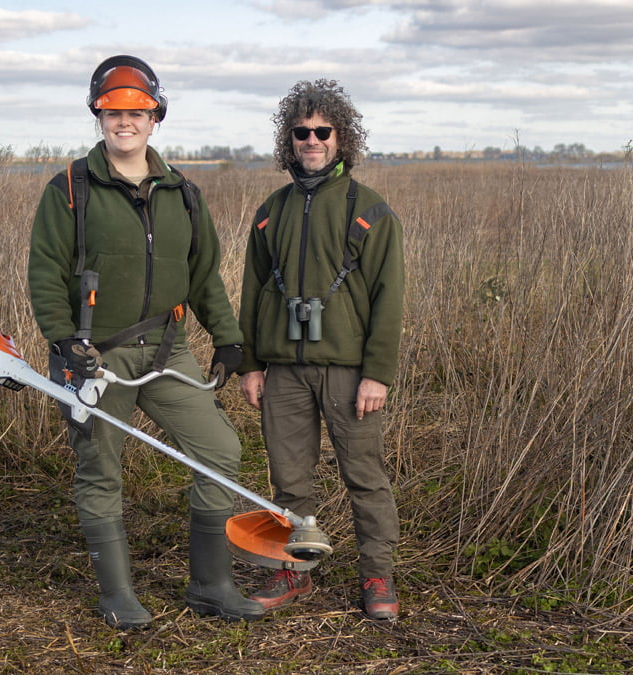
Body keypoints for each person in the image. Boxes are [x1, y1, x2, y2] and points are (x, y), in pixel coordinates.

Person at [27, 55, 263, 629]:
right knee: (100, 467)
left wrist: (229, 342)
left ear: (156, 116)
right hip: (94, 356)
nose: (124, 121)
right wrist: (64, 343)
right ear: (98, 115)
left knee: (219, 450)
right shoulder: (69, 191)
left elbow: (204, 276)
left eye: (136, 111)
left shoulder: (183, 193)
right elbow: (45, 274)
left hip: (167, 349)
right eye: (112, 111)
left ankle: (210, 585)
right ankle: (116, 595)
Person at [237, 79, 405, 620]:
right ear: (290, 140)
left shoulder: (371, 212)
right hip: (283, 371)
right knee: (288, 479)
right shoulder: (271, 209)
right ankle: (293, 571)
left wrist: (377, 374)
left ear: (341, 138)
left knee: (365, 476)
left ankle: (377, 576)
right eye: (301, 132)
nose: (311, 140)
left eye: (322, 131)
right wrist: (250, 364)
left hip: (349, 372)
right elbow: (252, 288)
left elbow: (389, 299)